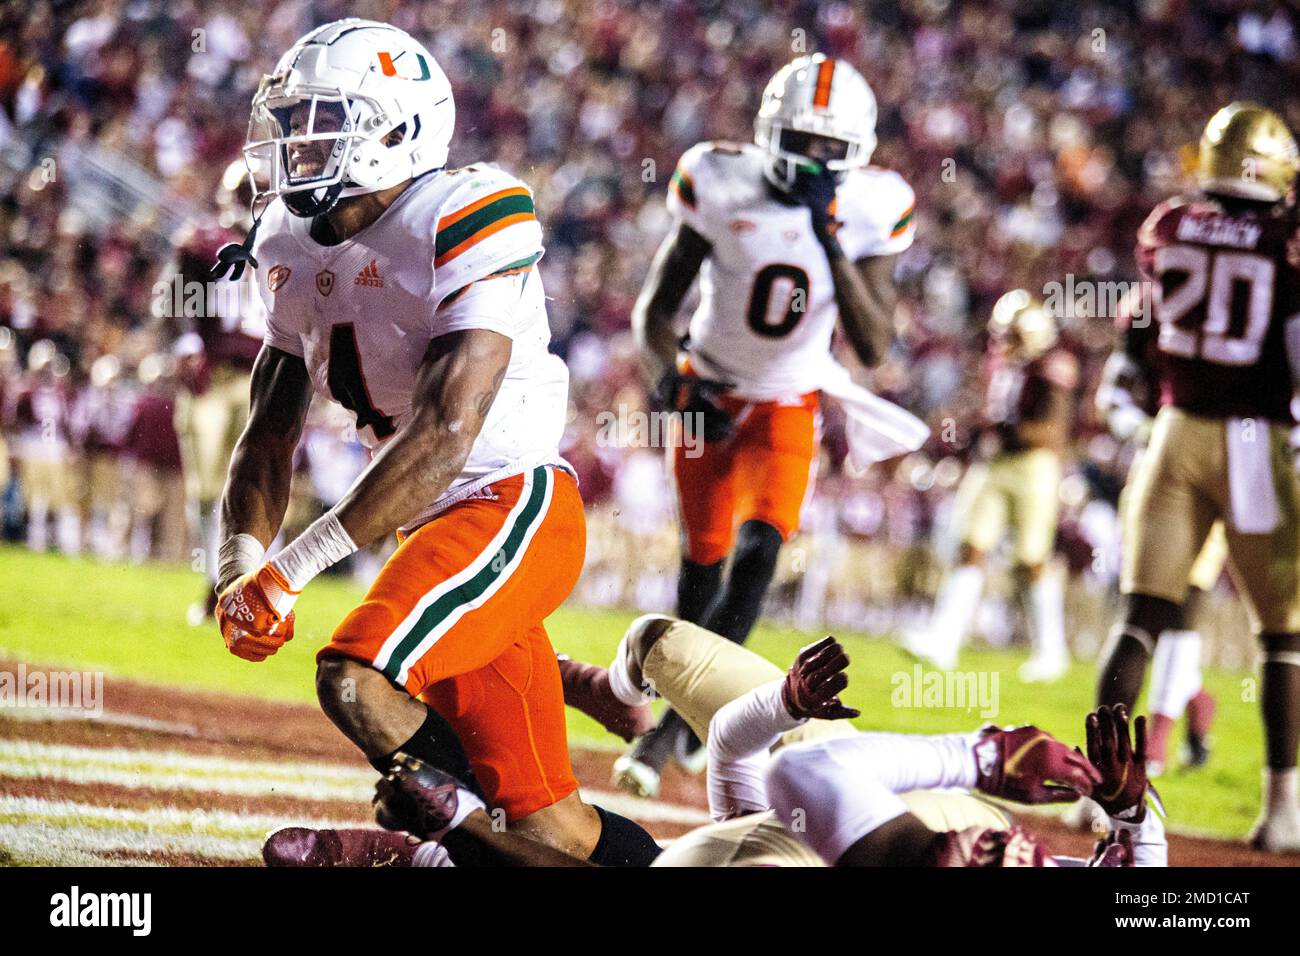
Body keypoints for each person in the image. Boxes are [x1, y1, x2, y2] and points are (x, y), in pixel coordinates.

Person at [213, 18, 656, 865]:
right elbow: (268, 434)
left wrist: (291, 569)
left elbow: (450, 435)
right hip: (434, 526)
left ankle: (426, 846)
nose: (297, 146)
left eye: (324, 123)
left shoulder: (468, 209)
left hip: (510, 504)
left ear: (395, 130)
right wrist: (240, 564)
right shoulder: (281, 241)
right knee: (547, 826)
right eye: (294, 123)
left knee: (355, 677)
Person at [620, 53, 926, 797]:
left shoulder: (872, 207)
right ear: (769, 134)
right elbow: (654, 314)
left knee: (759, 554)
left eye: (833, 148)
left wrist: (827, 237)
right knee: (700, 565)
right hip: (709, 393)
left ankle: (669, 737)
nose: (817, 160)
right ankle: (689, 710)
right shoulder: (718, 181)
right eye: (803, 141)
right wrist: (671, 386)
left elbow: (876, 341)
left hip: (789, 401)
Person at [1095, 102, 1300, 852]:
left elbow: (1138, 335)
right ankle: (1282, 812)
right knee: (1284, 636)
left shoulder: (1168, 226)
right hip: (1259, 438)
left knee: (1140, 616)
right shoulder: (1285, 241)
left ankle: (1102, 792)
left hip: (1175, 434)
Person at [904, 290, 1078, 682]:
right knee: (971, 547)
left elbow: (1050, 432)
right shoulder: (1004, 365)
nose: (1003, 341)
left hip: (1033, 467)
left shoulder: (1052, 366)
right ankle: (943, 641)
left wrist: (997, 428)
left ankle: (1052, 652)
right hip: (995, 463)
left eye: (1011, 334)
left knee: (1031, 560)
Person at [1094, 288, 1220, 775]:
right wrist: (1149, 432)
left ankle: (1159, 740)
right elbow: (1114, 394)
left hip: (1219, 464)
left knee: (1183, 606)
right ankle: (1195, 702)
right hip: (1157, 466)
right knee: (1148, 609)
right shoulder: (1151, 304)